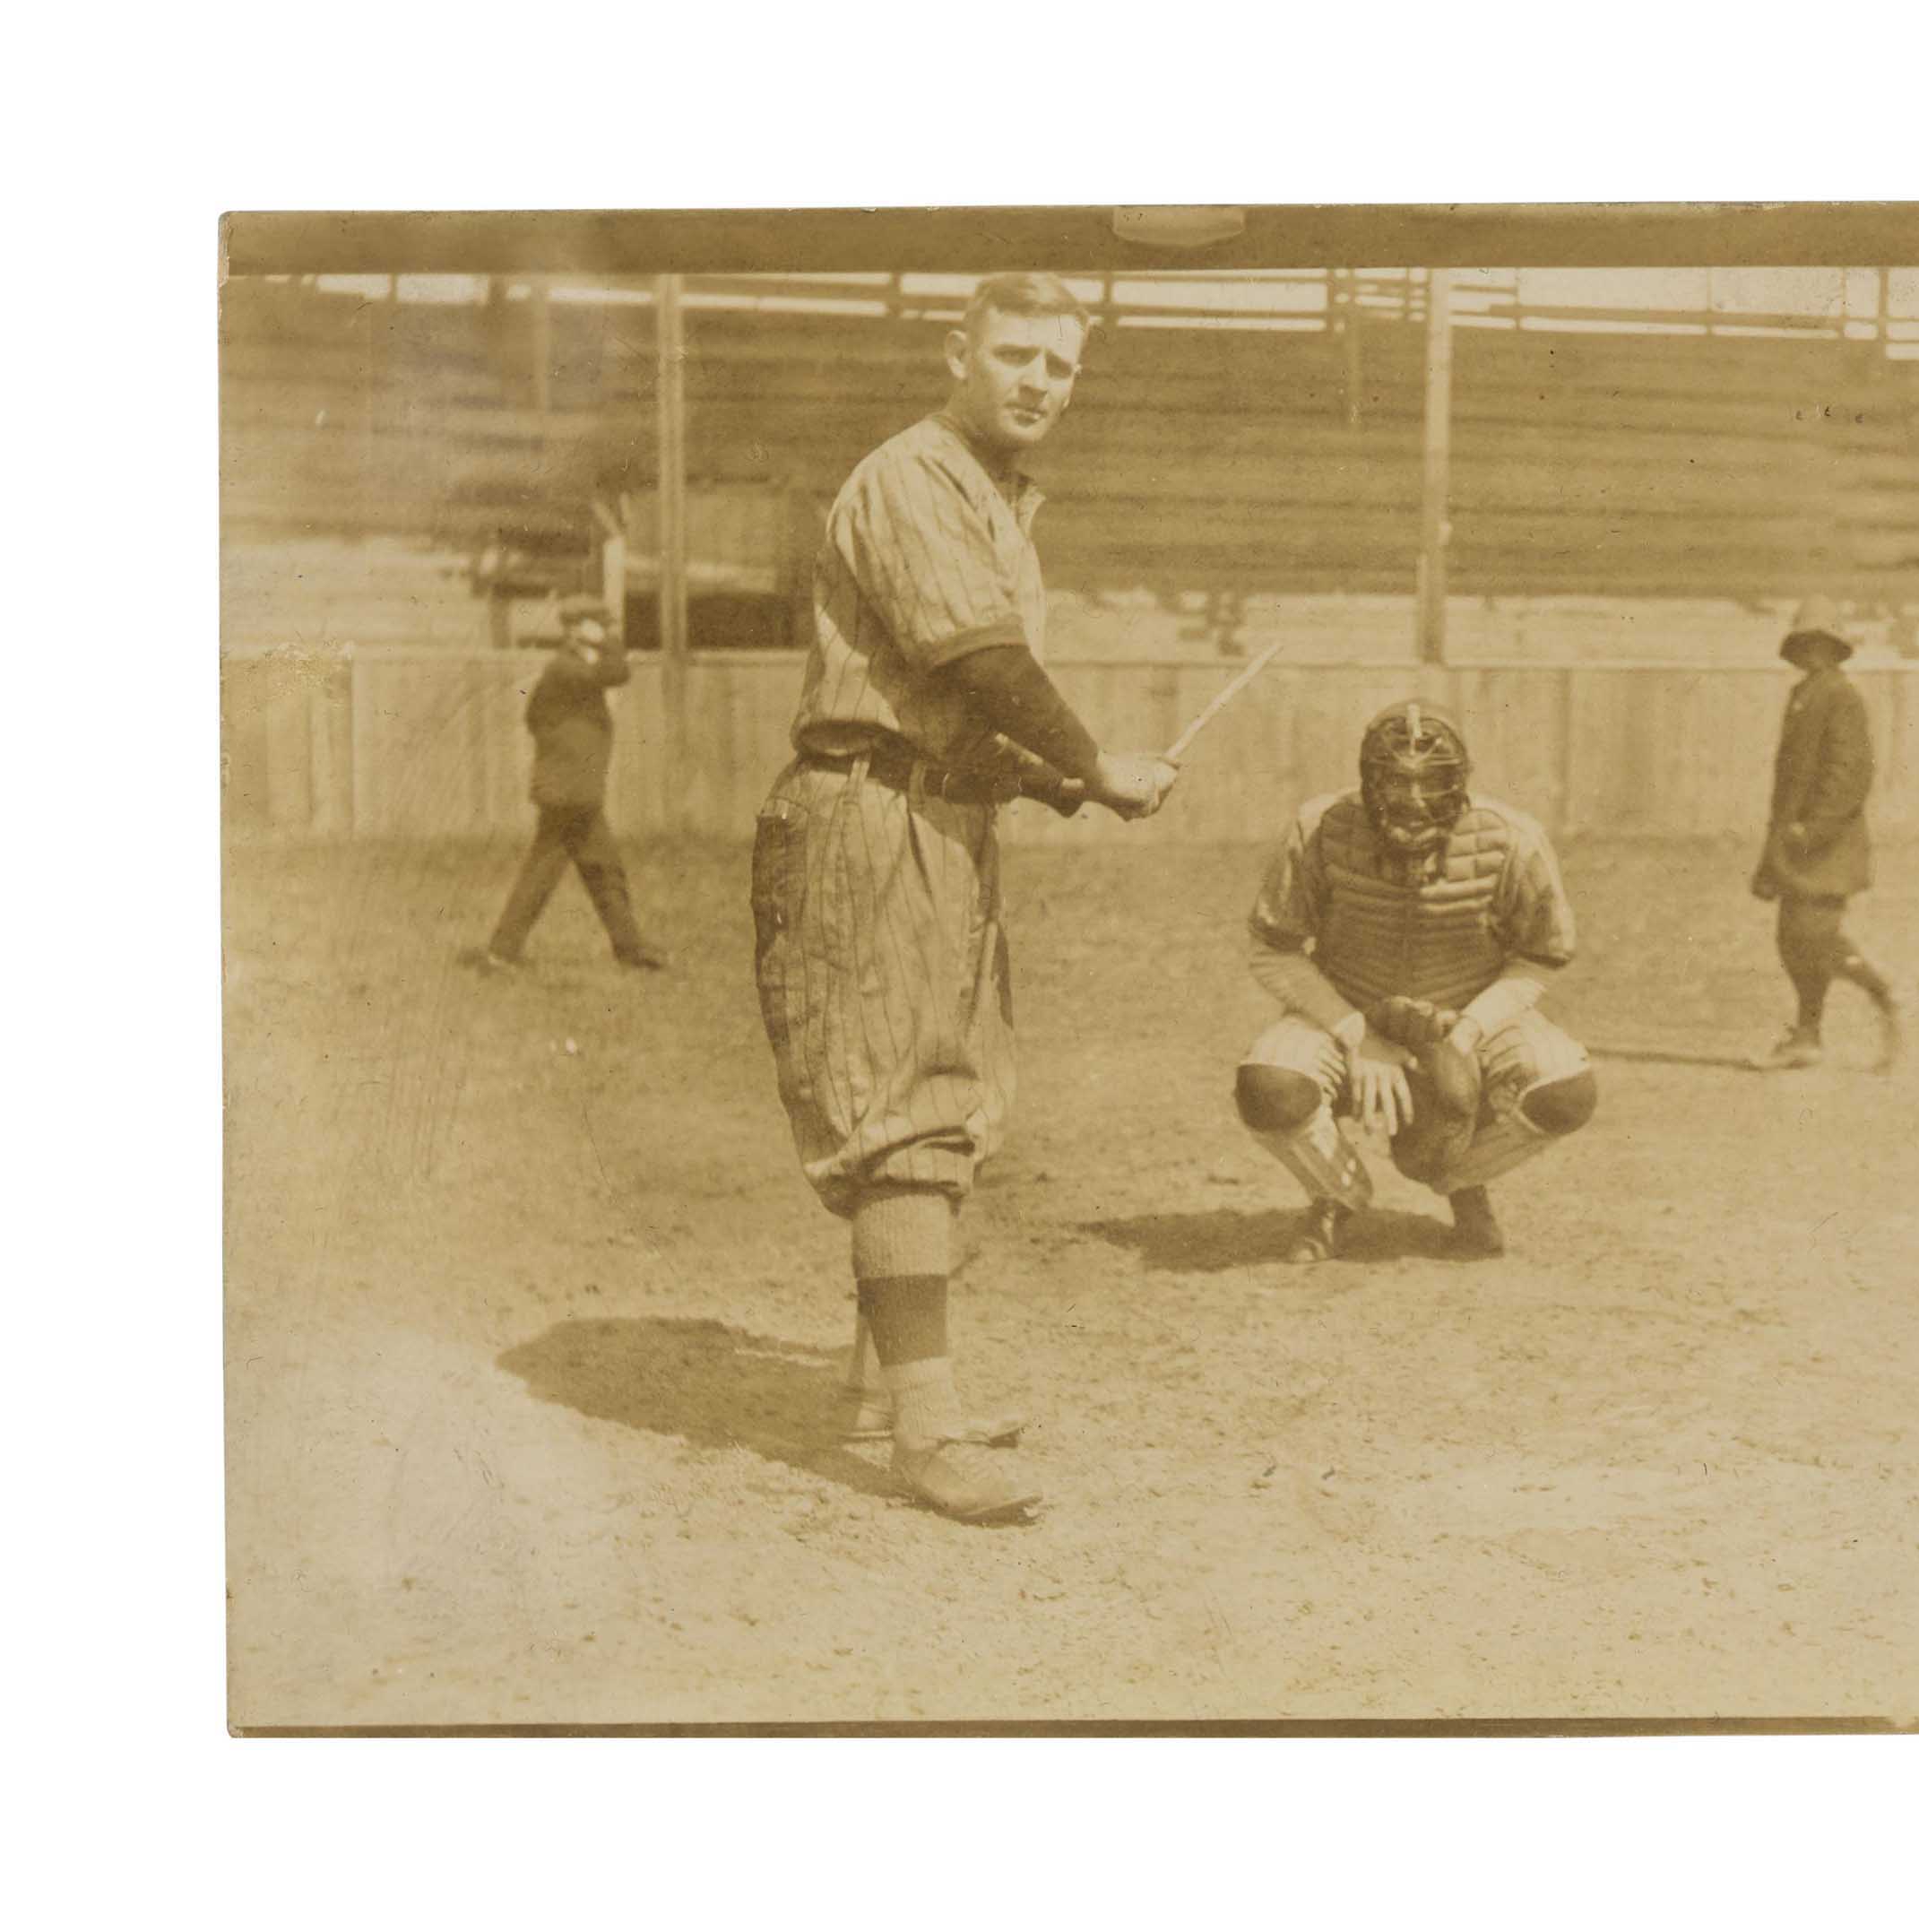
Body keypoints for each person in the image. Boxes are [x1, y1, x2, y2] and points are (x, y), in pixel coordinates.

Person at [752, 272, 1180, 1525]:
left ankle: (878, 1390)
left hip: (936, 807)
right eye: (1017, 354)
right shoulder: (911, 477)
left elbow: (949, 701)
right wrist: (1094, 760)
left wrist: (1069, 789)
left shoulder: (995, 498)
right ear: (959, 351)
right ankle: (925, 1437)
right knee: (908, 1109)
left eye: (1062, 364)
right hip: (865, 815)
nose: (1041, 381)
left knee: (950, 1090)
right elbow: (979, 662)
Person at [1235, 701, 1595, 1264]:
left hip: (1466, 1015)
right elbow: (1273, 950)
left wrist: (1469, 1032)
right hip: (1350, 1009)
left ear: (1461, 782)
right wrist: (1357, 1034)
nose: (1413, 800)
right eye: (1393, 781)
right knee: (1269, 1087)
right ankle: (1337, 1193)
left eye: (1433, 782)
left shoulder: (1512, 838)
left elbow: (1540, 957)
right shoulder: (1320, 827)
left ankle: (1460, 1180)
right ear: (1367, 778)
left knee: (1564, 1092)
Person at [468, 596, 668, 972]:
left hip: (576, 791)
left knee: (602, 869)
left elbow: (536, 717)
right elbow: (616, 673)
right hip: (568, 792)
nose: (608, 630)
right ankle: (501, 952)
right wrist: (608, 642)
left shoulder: (572, 668)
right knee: (549, 872)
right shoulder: (565, 668)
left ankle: (629, 948)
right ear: (576, 629)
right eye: (599, 623)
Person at [1750, 597, 1902, 1071]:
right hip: (1796, 842)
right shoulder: (1805, 695)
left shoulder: (1841, 696)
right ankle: (1808, 1035)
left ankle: (1884, 990)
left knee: (1812, 936)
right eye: (1804, 643)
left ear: (1834, 649)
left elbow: (1850, 775)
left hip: (1825, 844)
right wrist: (1781, 842)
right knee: (1792, 940)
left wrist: (1812, 830)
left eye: (1819, 643)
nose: (1811, 652)